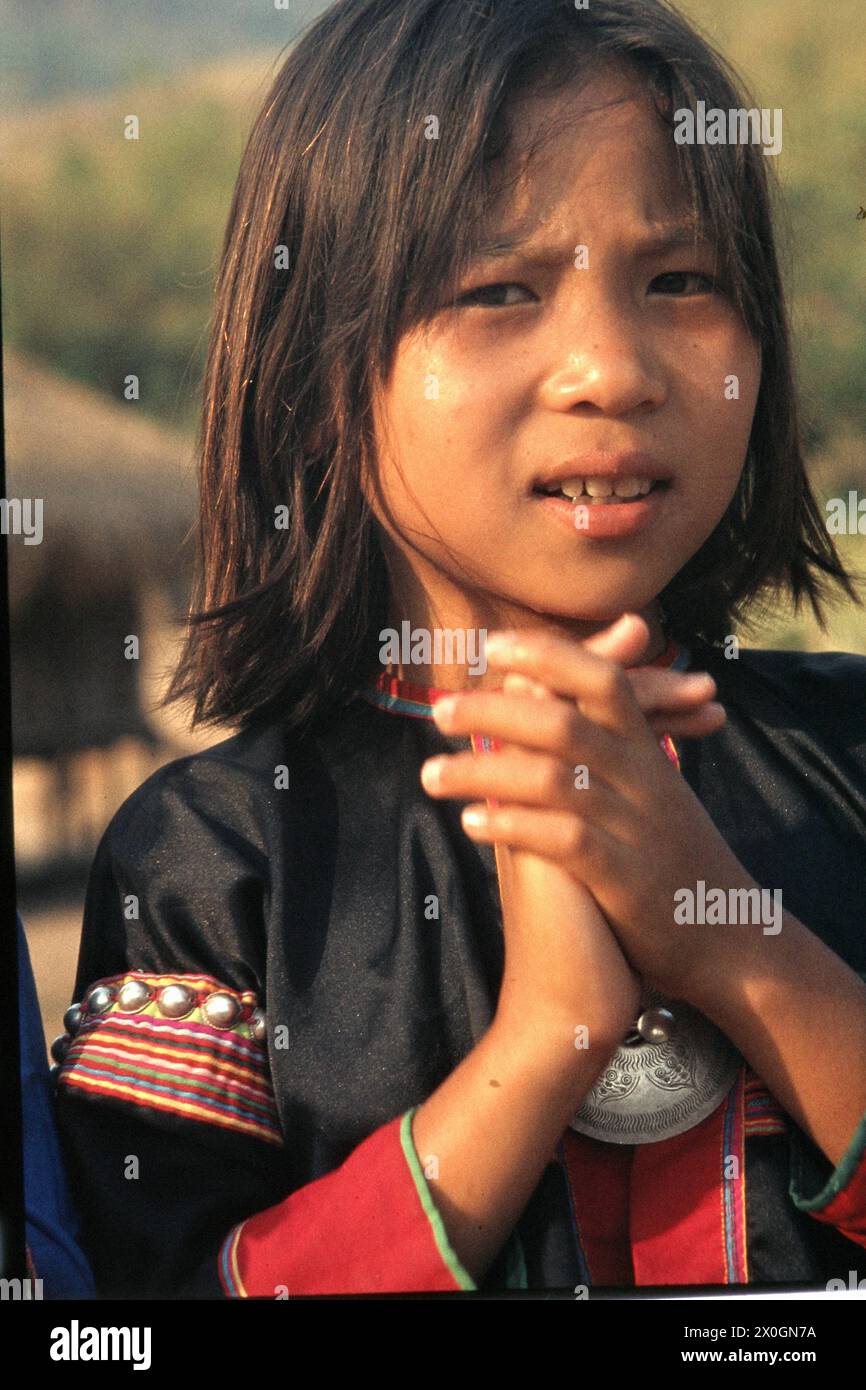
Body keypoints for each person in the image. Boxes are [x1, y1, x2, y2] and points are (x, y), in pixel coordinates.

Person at [54, 0, 866, 1296]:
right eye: (497, 290)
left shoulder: (847, 758)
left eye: (681, 281)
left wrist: (726, 935)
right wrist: (542, 1041)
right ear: (319, 377)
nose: (609, 368)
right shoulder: (215, 868)